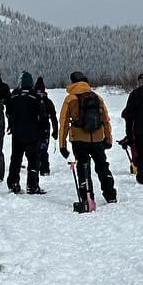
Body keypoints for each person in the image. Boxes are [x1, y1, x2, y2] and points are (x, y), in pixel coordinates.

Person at [58, 72, 117, 203]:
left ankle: (87, 198)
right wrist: (108, 138)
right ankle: (111, 195)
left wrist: (62, 145)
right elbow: (105, 120)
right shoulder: (97, 97)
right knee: (102, 166)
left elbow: (63, 122)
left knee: (83, 167)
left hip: (79, 139)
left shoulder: (70, 99)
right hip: (97, 138)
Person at [5, 72, 47, 194]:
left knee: (16, 160)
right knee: (33, 160)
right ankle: (32, 186)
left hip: (17, 134)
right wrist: (44, 131)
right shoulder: (36, 97)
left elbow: (9, 112)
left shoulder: (14, 96)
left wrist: (12, 125)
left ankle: (13, 184)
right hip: (33, 135)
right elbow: (43, 116)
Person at [35, 77, 58, 176]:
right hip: (45, 129)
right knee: (43, 150)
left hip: (34, 128)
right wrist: (55, 130)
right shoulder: (48, 102)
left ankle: (35, 168)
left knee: (35, 149)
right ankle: (44, 169)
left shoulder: (32, 100)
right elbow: (53, 117)